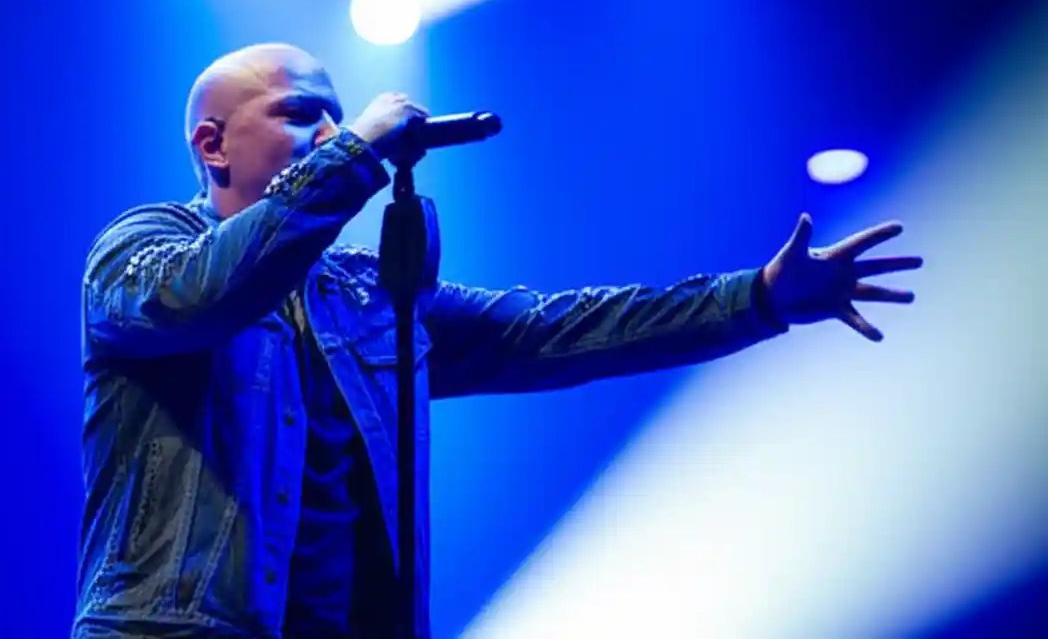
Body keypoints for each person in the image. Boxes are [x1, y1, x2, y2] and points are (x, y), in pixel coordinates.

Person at [74, 43, 921, 638]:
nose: (332, 134)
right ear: (212, 144)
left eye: (339, 119)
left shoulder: (371, 297)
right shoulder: (140, 250)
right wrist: (361, 150)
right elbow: (209, 296)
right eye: (302, 116)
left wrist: (759, 298)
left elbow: (552, 330)